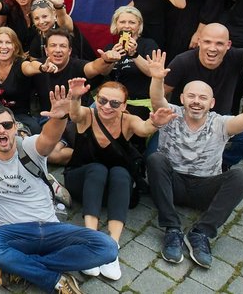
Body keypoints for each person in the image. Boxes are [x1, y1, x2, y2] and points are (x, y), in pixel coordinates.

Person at [0, 86, 120, 294]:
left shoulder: (30, 147)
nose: (1, 130)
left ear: (15, 127)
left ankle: (21, 266)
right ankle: (54, 280)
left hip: (50, 229)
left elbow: (48, 139)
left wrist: (59, 118)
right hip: (13, 234)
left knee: (108, 247)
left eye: (6, 124)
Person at [142, 50, 243, 268]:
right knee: (155, 159)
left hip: (205, 187)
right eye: (191, 96)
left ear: (212, 102)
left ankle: (201, 234)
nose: (196, 102)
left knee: (241, 177)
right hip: (172, 185)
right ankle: (172, 229)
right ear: (181, 99)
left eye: (202, 98)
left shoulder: (220, 123)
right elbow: (157, 98)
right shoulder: (170, 113)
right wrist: (157, 78)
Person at [61, 79, 173, 281]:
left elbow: (144, 128)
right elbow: (75, 114)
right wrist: (76, 97)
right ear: (96, 99)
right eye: (102, 100)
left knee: (121, 173)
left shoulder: (127, 120)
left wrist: (156, 123)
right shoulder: (88, 115)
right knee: (98, 169)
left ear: (124, 105)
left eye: (114, 103)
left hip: (113, 188)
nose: (106, 107)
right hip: (81, 181)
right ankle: (92, 240)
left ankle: (111, 247)